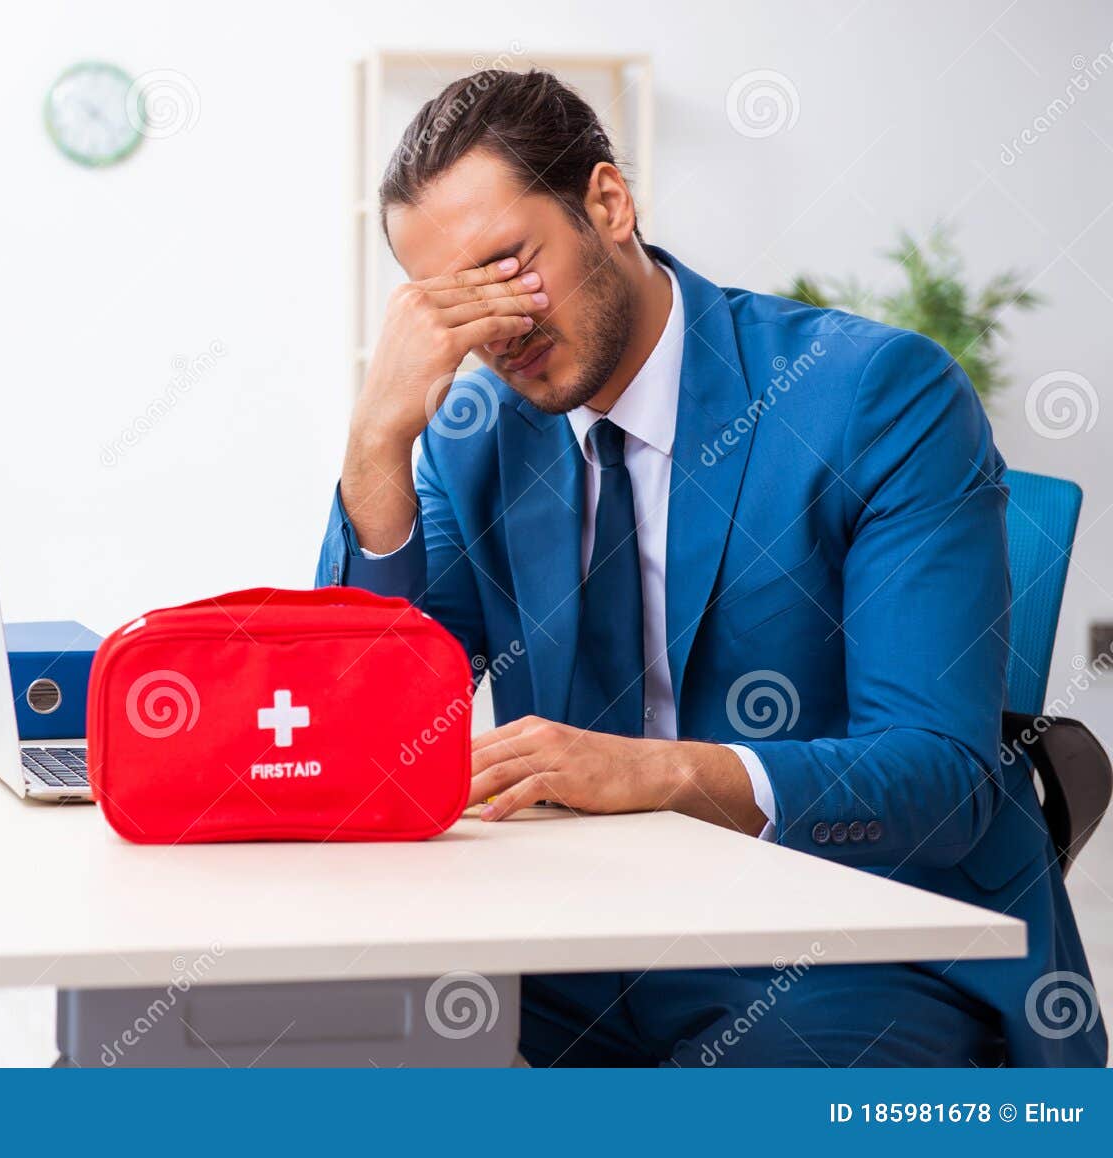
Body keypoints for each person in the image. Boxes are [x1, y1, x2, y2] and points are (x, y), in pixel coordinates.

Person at [318, 68, 1104, 1067]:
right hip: (577, 933)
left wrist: (657, 774)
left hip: (848, 940)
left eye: (510, 265)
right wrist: (376, 441)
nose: (496, 326)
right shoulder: (478, 441)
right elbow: (361, 744)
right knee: (313, 1041)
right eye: (454, 301)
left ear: (607, 203)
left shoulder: (872, 397)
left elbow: (939, 782)